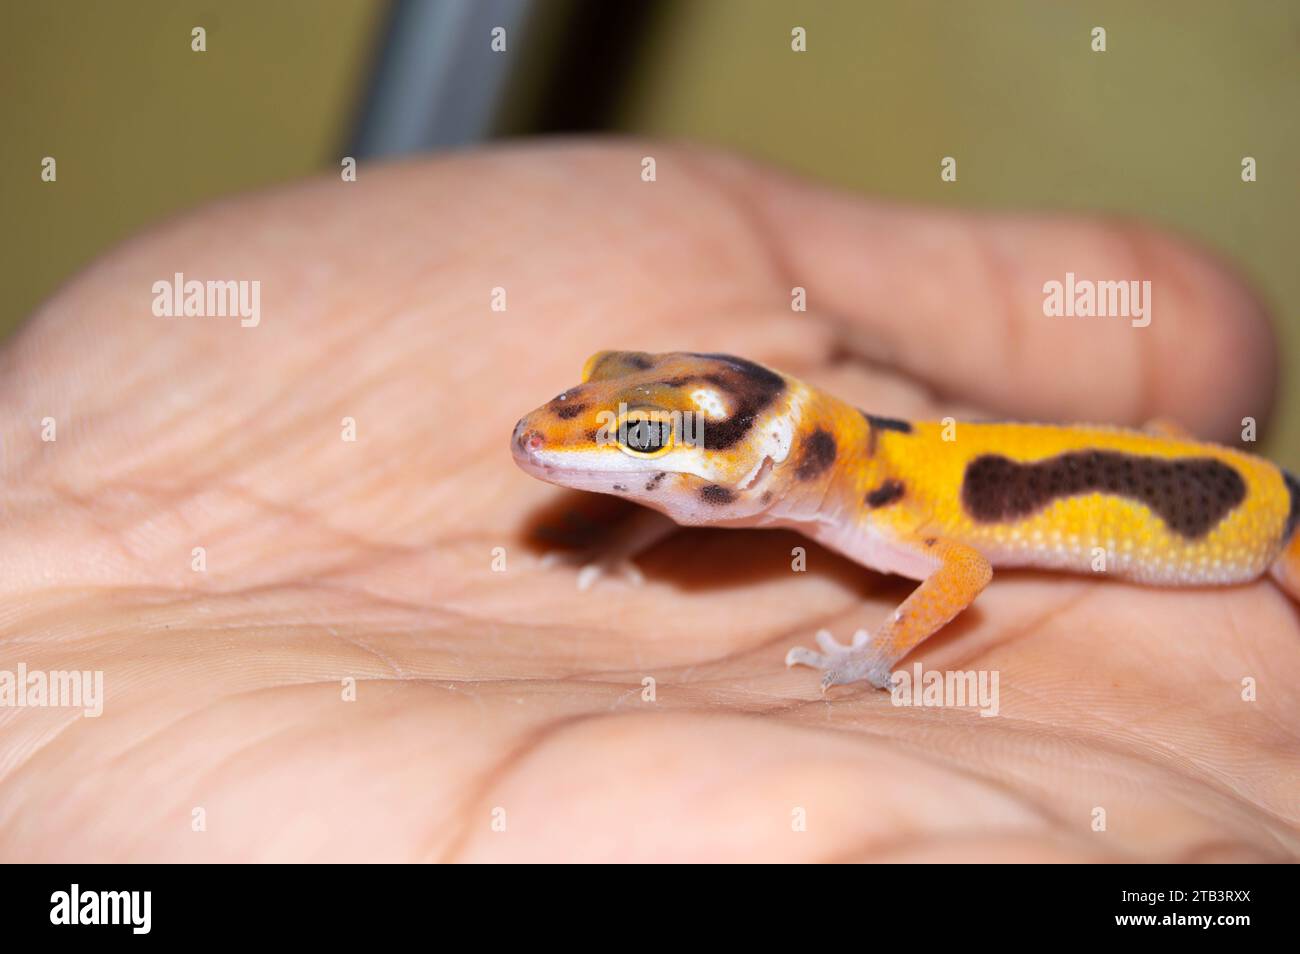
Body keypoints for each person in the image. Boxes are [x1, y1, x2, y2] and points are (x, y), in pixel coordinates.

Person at [2, 142, 1292, 862]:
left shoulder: (891, 512)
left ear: (767, 468)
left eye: (639, 444)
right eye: (615, 414)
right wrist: (626, 516)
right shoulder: (831, 482)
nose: (566, 440)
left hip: (1264, 523)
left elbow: (966, 576)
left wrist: (874, 658)